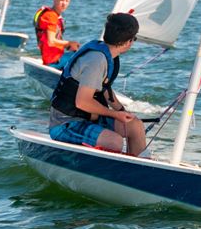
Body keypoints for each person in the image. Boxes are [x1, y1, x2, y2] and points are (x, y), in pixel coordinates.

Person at [48, 12, 147, 156]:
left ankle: (138, 170)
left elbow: (105, 89)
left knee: (135, 126)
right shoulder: (96, 60)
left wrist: (121, 111)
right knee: (114, 142)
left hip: (91, 119)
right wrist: (113, 114)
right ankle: (111, 174)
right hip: (66, 123)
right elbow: (82, 102)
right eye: (134, 38)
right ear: (128, 42)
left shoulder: (109, 55)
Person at [33, 0, 80, 68]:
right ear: (54, 0)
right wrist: (69, 43)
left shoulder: (56, 16)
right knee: (83, 57)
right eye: (61, 0)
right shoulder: (51, 16)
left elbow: (55, 41)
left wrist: (69, 46)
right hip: (53, 62)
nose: (64, 3)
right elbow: (51, 41)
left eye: (67, 1)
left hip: (56, 58)